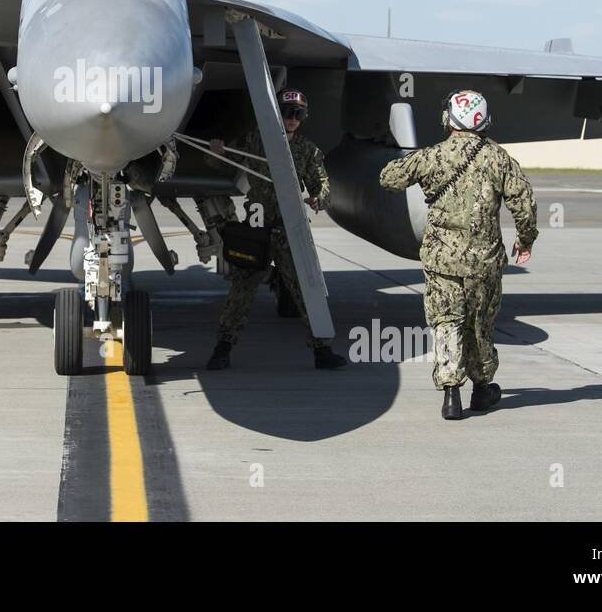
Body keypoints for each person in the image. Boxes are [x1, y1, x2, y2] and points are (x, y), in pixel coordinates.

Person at [379, 89, 538, 420]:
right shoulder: (498, 158)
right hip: (484, 261)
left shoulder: (432, 156)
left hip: (441, 260)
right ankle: (481, 389)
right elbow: (524, 202)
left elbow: (388, 179)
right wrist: (525, 240)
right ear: (485, 120)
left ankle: (451, 395)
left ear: (447, 118)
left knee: (446, 322)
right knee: (480, 324)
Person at [204, 89, 347, 371]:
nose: (292, 119)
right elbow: (220, 161)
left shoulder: (307, 150)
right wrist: (216, 151)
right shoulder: (255, 140)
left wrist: (319, 199)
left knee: (306, 290)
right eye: (286, 112)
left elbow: (322, 185)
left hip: (289, 228)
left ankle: (322, 349)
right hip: (257, 228)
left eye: (298, 114)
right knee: (242, 290)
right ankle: (223, 348)